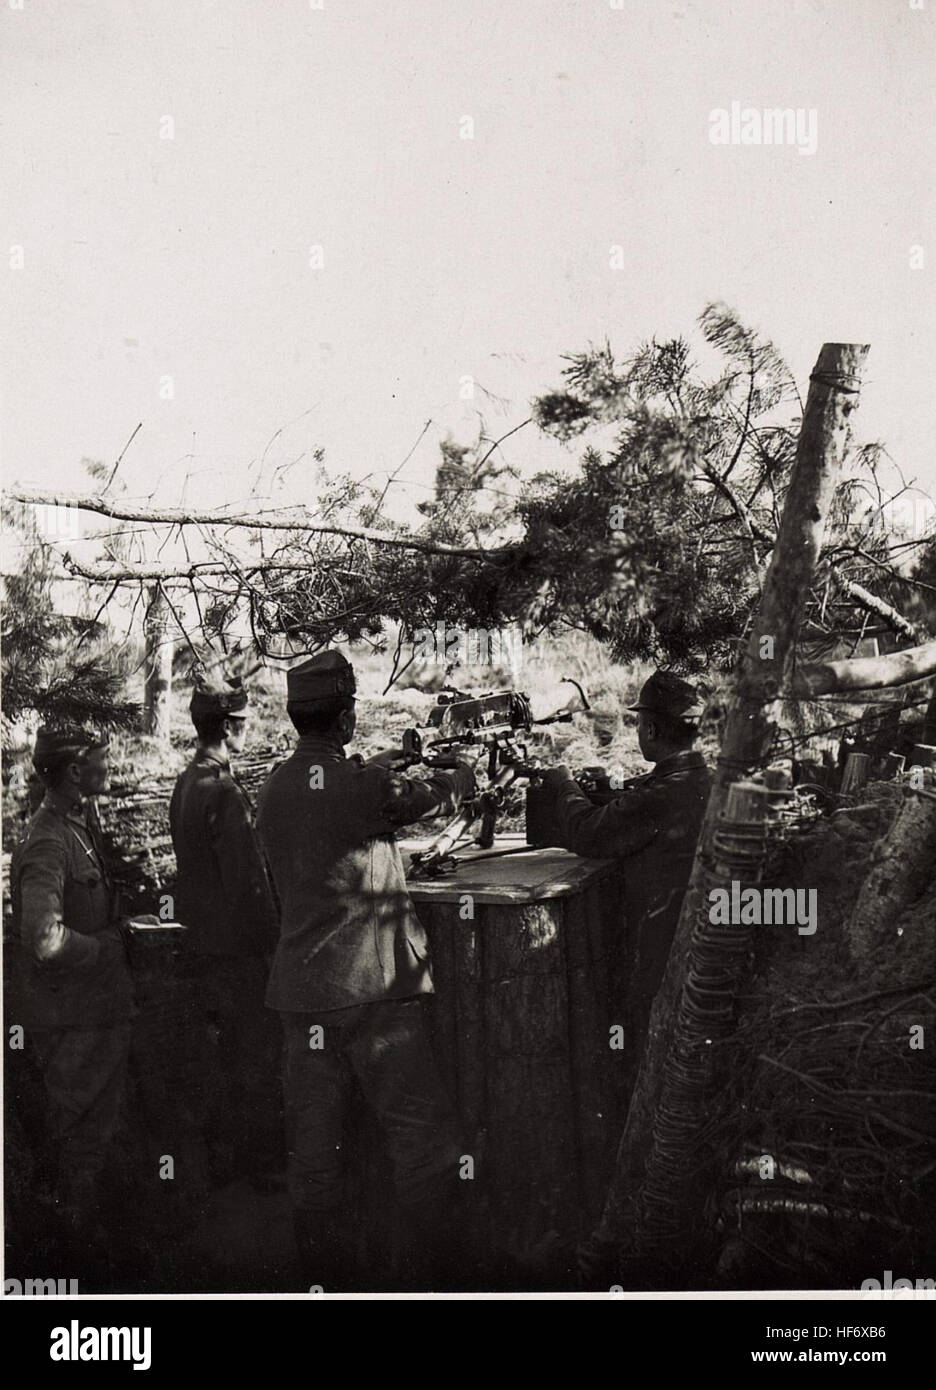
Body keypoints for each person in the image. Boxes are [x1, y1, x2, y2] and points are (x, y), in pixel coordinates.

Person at [256, 649, 477, 1290]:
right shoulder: (359, 788)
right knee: (422, 1144)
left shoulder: (274, 786)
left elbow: (333, 801)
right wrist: (461, 770)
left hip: (303, 994)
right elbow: (429, 799)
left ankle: (322, 1283)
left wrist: (376, 767)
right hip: (372, 991)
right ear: (348, 719)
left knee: (315, 1157)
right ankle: (447, 1280)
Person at [535, 668, 712, 1284]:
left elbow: (589, 834)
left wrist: (563, 786)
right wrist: (609, 791)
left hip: (656, 960)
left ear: (654, 731)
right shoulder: (699, 779)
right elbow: (637, 809)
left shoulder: (666, 794)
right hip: (688, 956)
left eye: (641, 724)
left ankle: (628, 1226)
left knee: (642, 1078)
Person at [10, 726, 134, 1256]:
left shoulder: (76, 825)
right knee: (82, 1140)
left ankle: (94, 1247)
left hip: (92, 1013)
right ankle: (79, 1257)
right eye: (103, 757)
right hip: (71, 1021)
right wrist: (106, 948)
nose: (111, 764)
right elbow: (43, 938)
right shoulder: (48, 841)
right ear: (76, 771)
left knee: (97, 1135)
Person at [168, 675, 282, 1188]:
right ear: (231, 728)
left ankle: (227, 1163)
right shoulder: (223, 791)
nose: (247, 728)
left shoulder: (186, 782)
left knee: (226, 1056)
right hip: (238, 953)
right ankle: (259, 1170)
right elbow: (248, 886)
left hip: (205, 945)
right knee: (254, 1056)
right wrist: (273, 946)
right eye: (244, 722)